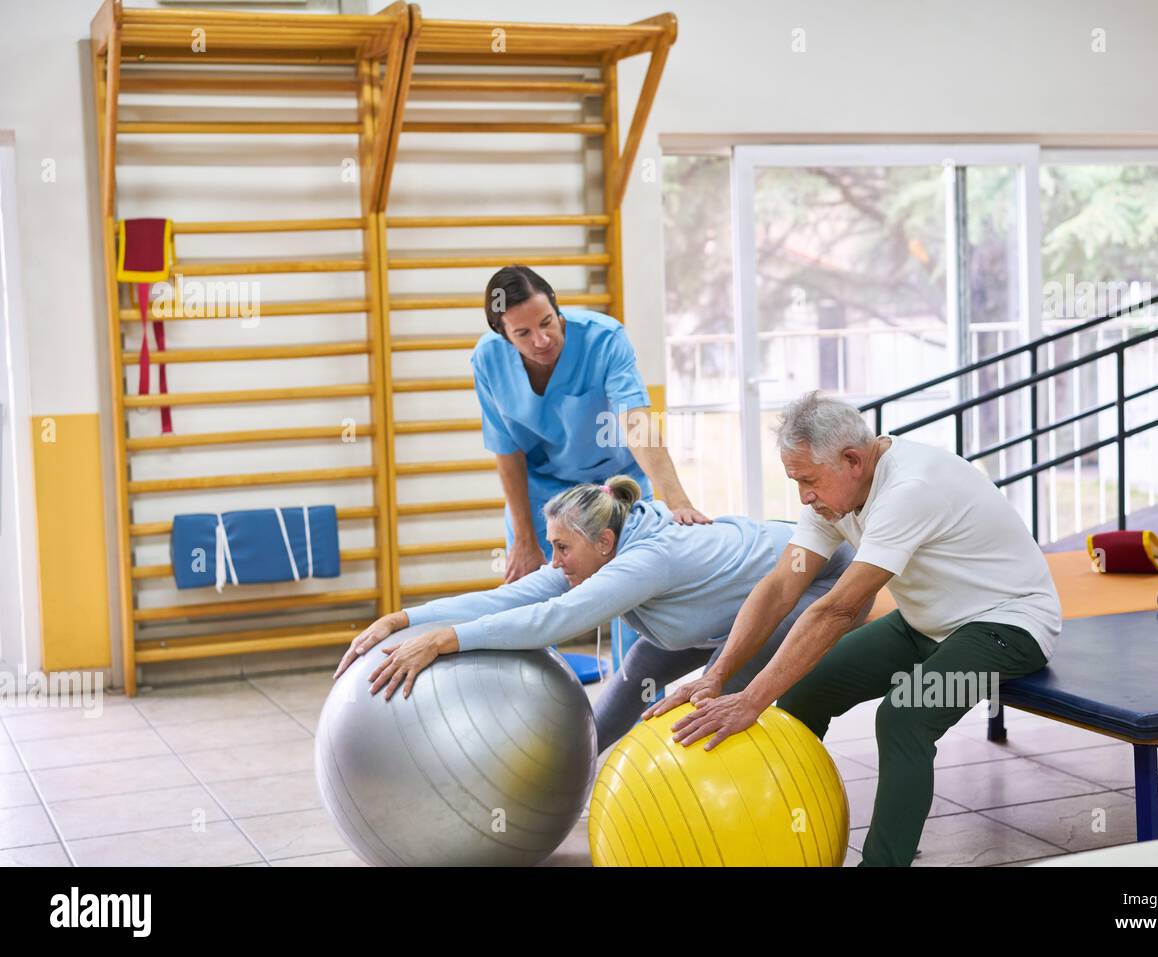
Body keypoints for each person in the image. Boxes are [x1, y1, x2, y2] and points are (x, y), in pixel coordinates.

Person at [647, 391, 1061, 867]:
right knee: (805, 693)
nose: (804, 496)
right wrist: (716, 675)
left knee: (904, 716)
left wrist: (750, 699)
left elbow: (838, 611)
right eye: (796, 481)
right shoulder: (835, 501)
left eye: (808, 480)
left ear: (852, 460)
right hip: (924, 626)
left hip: (1007, 626)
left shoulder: (909, 489)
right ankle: (780, 828)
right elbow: (782, 585)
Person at [332, 475, 860, 754]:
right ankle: (576, 783)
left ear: (604, 543)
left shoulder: (647, 561)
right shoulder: (605, 550)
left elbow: (553, 621)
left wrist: (445, 640)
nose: (554, 561)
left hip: (816, 580)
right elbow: (511, 597)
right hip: (712, 610)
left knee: (715, 701)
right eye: (552, 547)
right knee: (627, 693)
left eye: (562, 549)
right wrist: (406, 619)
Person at [473, 264, 708, 583]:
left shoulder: (604, 338)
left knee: (637, 584)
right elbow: (507, 450)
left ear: (557, 310)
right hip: (542, 490)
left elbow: (636, 423)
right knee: (532, 590)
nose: (541, 340)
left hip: (617, 483)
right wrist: (525, 538)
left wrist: (677, 500)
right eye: (523, 333)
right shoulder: (488, 360)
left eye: (547, 322)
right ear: (503, 336)